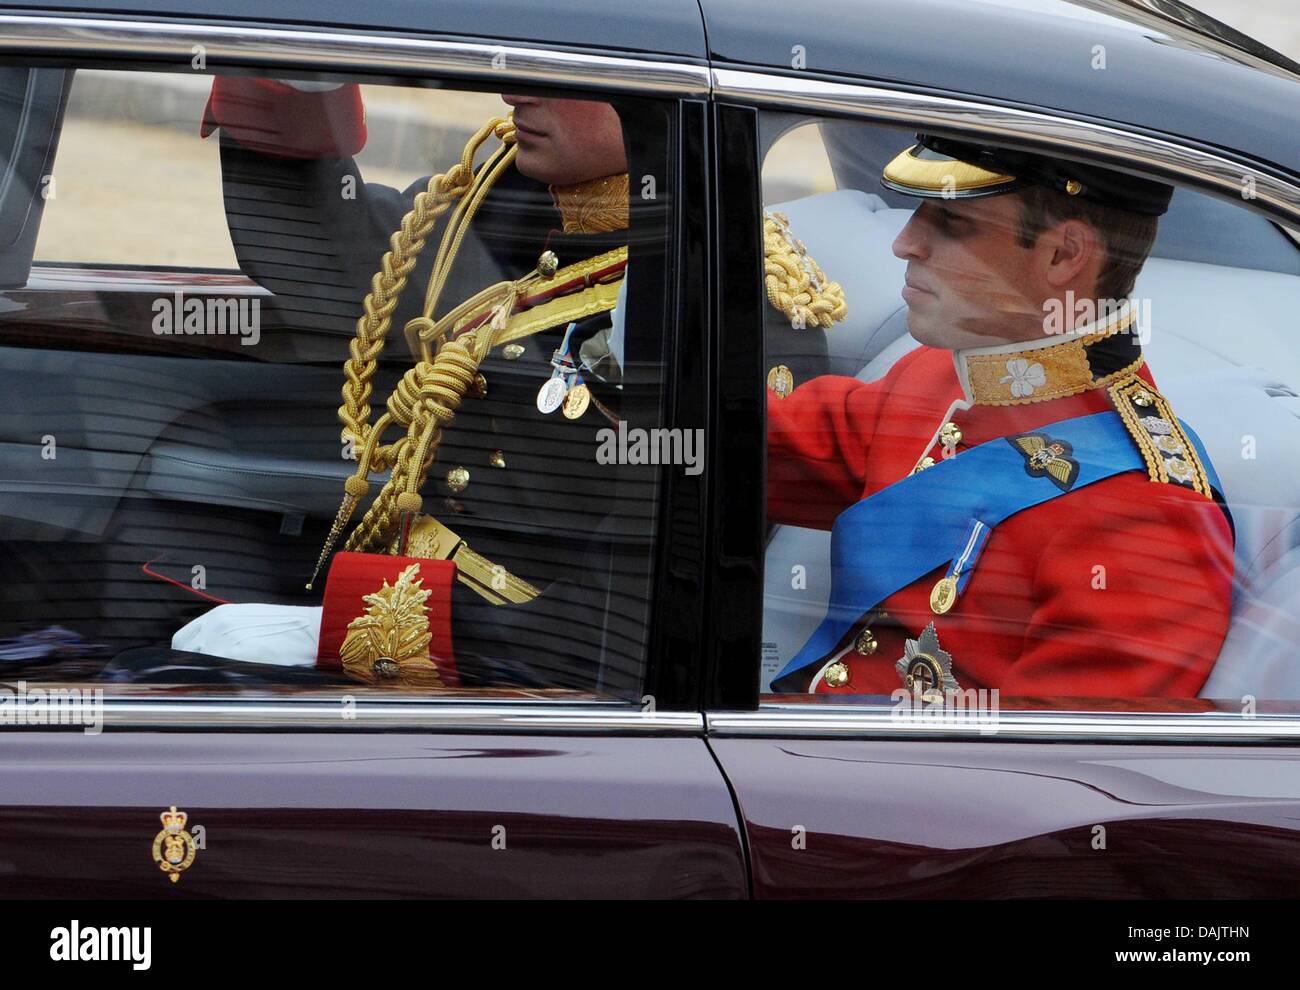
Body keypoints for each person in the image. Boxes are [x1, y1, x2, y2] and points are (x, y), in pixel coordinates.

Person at [168, 76, 837, 692]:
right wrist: (290, 72)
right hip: (415, 605)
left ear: (651, 87)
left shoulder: (733, 302)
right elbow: (339, 272)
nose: (512, 86)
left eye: (565, 66)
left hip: (527, 684)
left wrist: (352, 631)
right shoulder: (512, 191)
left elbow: (631, 606)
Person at [767, 134, 1234, 699]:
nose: (905, 241)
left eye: (951, 222)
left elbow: (1046, 770)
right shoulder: (940, 373)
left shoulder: (1149, 513)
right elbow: (756, 448)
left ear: (1063, 256)